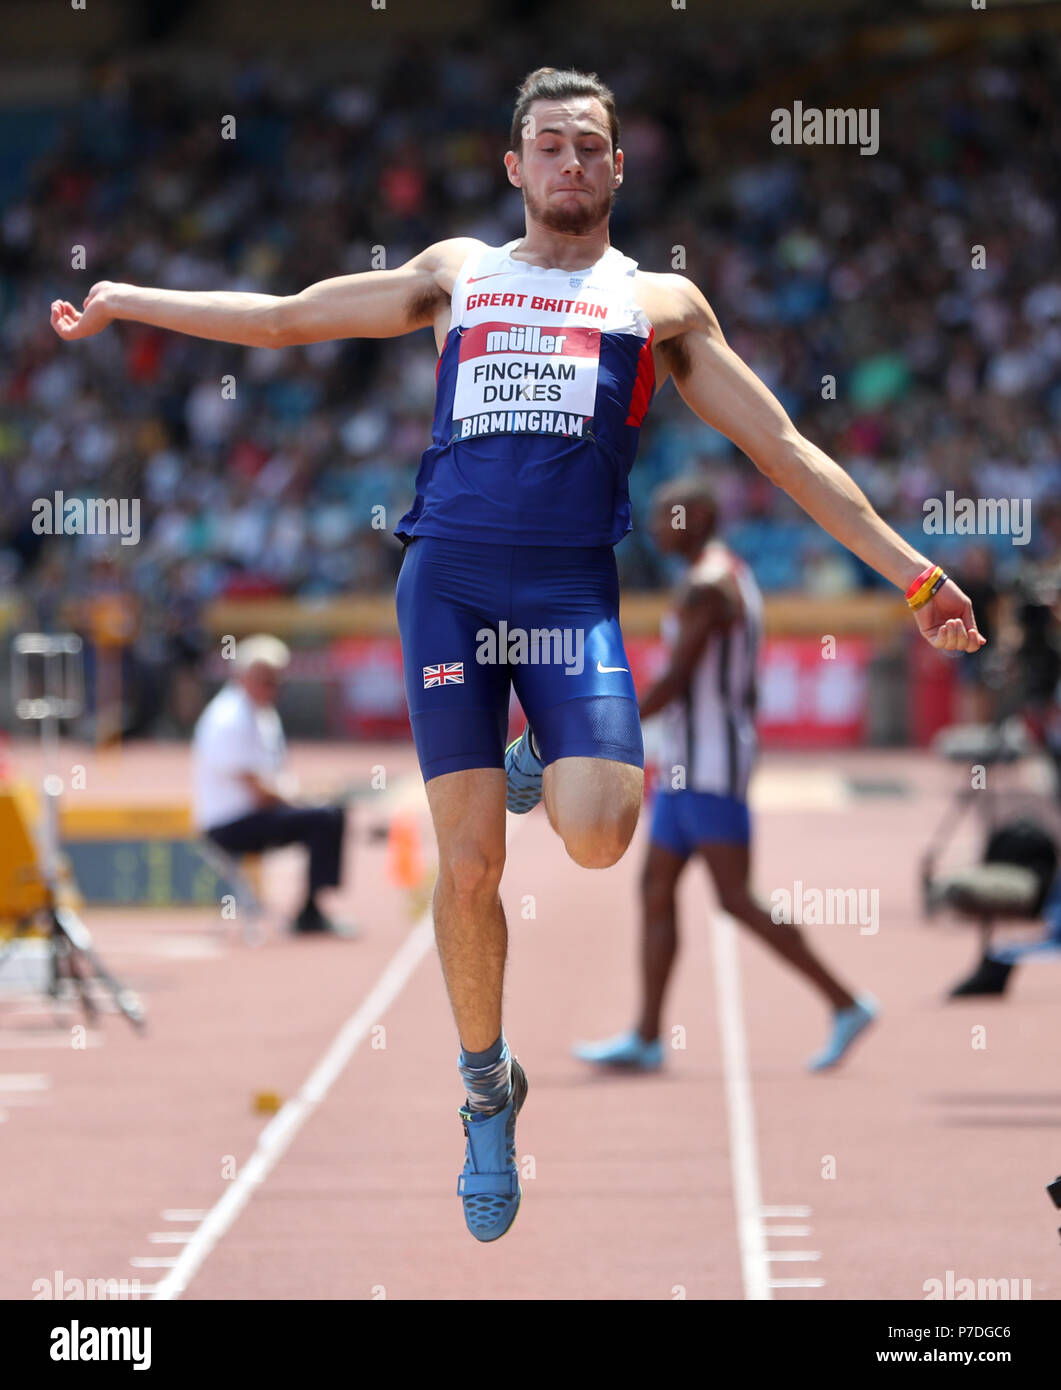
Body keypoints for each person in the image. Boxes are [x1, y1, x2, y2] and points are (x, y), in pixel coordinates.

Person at [50, 65, 984, 1243]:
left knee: (600, 830)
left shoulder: (659, 305)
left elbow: (786, 449)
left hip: (563, 592)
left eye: (589, 146)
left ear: (617, 167)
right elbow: (285, 317)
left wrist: (912, 571)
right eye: (547, 145)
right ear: (513, 166)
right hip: (443, 582)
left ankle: (543, 752)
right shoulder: (456, 274)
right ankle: (486, 1092)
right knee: (472, 867)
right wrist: (129, 298)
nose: (569, 165)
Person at [573, 475, 876, 1076]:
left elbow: (677, 680)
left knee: (736, 899)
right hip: (687, 764)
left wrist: (600, 730)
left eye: (667, 516)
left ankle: (847, 1002)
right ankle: (648, 1035)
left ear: (700, 519)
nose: (655, 527)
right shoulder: (715, 577)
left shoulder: (711, 585)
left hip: (711, 765)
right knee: (656, 890)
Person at [191, 635, 354, 937]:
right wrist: (303, 799)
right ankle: (310, 913)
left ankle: (313, 907)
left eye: (278, 682)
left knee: (330, 813)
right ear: (243, 676)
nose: (274, 689)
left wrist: (305, 796)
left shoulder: (262, 714)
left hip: (253, 814)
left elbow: (272, 780)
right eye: (267, 680)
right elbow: (258, 790)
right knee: (324, 817)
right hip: (229, 823)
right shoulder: (228, 718)